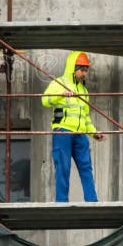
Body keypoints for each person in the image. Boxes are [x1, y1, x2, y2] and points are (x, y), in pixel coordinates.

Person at [41, 51, 105, 202]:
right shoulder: (59, 83)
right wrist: (61, 94)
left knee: (86, 167)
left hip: (80, 134)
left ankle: (91, 199)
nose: (84, 74)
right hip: (63, 131)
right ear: (73, 68)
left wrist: (94, 133)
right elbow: (45, 100)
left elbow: (85, 117)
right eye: (82, 70)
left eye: (86, 71)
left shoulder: (84, 91)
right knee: (63, 168)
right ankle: (62, 201)